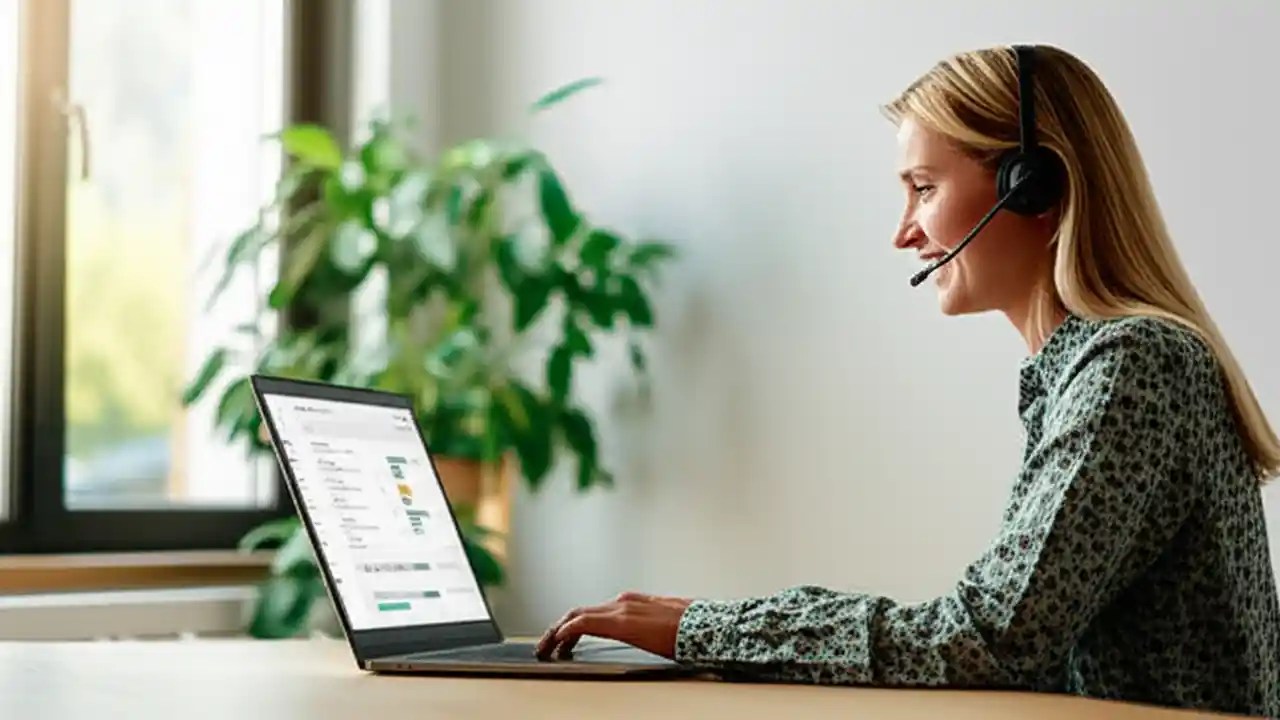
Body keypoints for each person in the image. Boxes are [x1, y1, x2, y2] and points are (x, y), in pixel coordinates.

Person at [534, 43, 1280, 717]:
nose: (904, 231)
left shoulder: (1133, 366)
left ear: (1035, 187)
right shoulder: (1091, 369)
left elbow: (988, 638)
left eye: (923, 187)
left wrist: (707, 628)